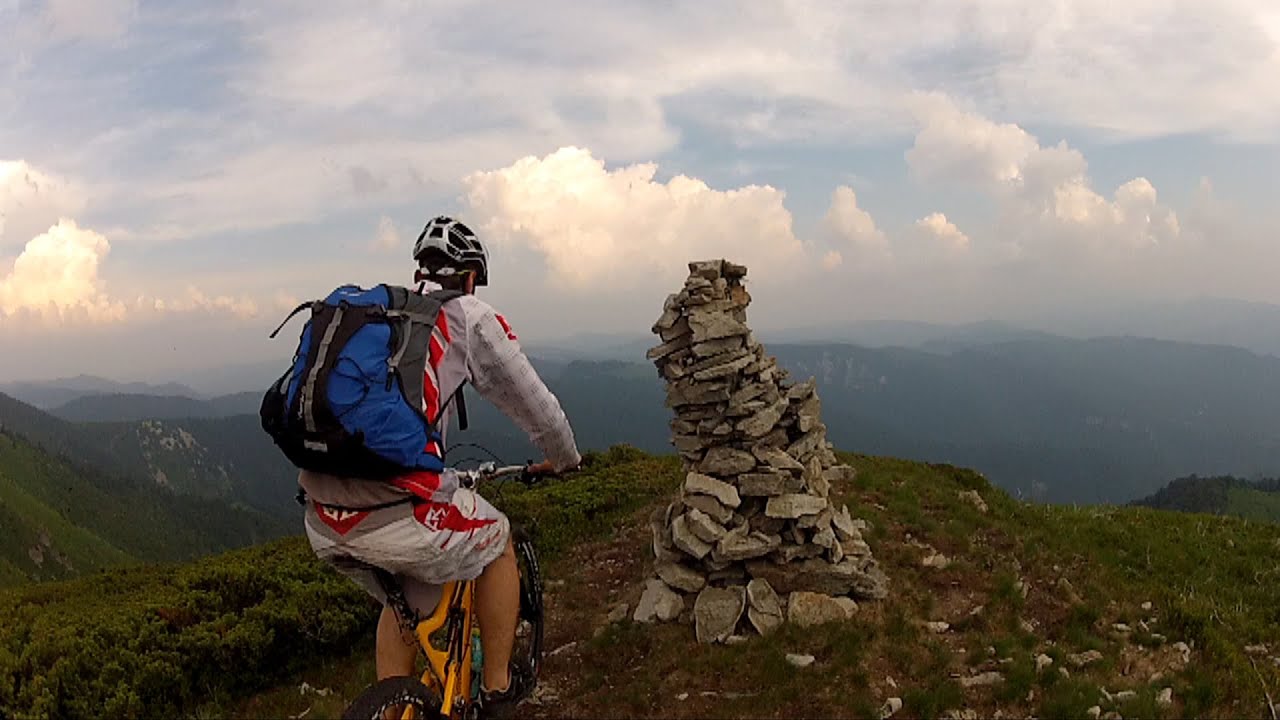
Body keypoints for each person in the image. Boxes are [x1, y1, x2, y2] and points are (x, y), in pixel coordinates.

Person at [297, 215, 581, 716]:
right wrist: (564, 460)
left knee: (402, 596)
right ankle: (497, 692)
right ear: (470, 276)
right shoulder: (467, 316)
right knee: (497, 541)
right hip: (397, 509)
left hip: (321, 515)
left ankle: (395, 706)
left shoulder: (382, 316)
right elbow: (540, 409)